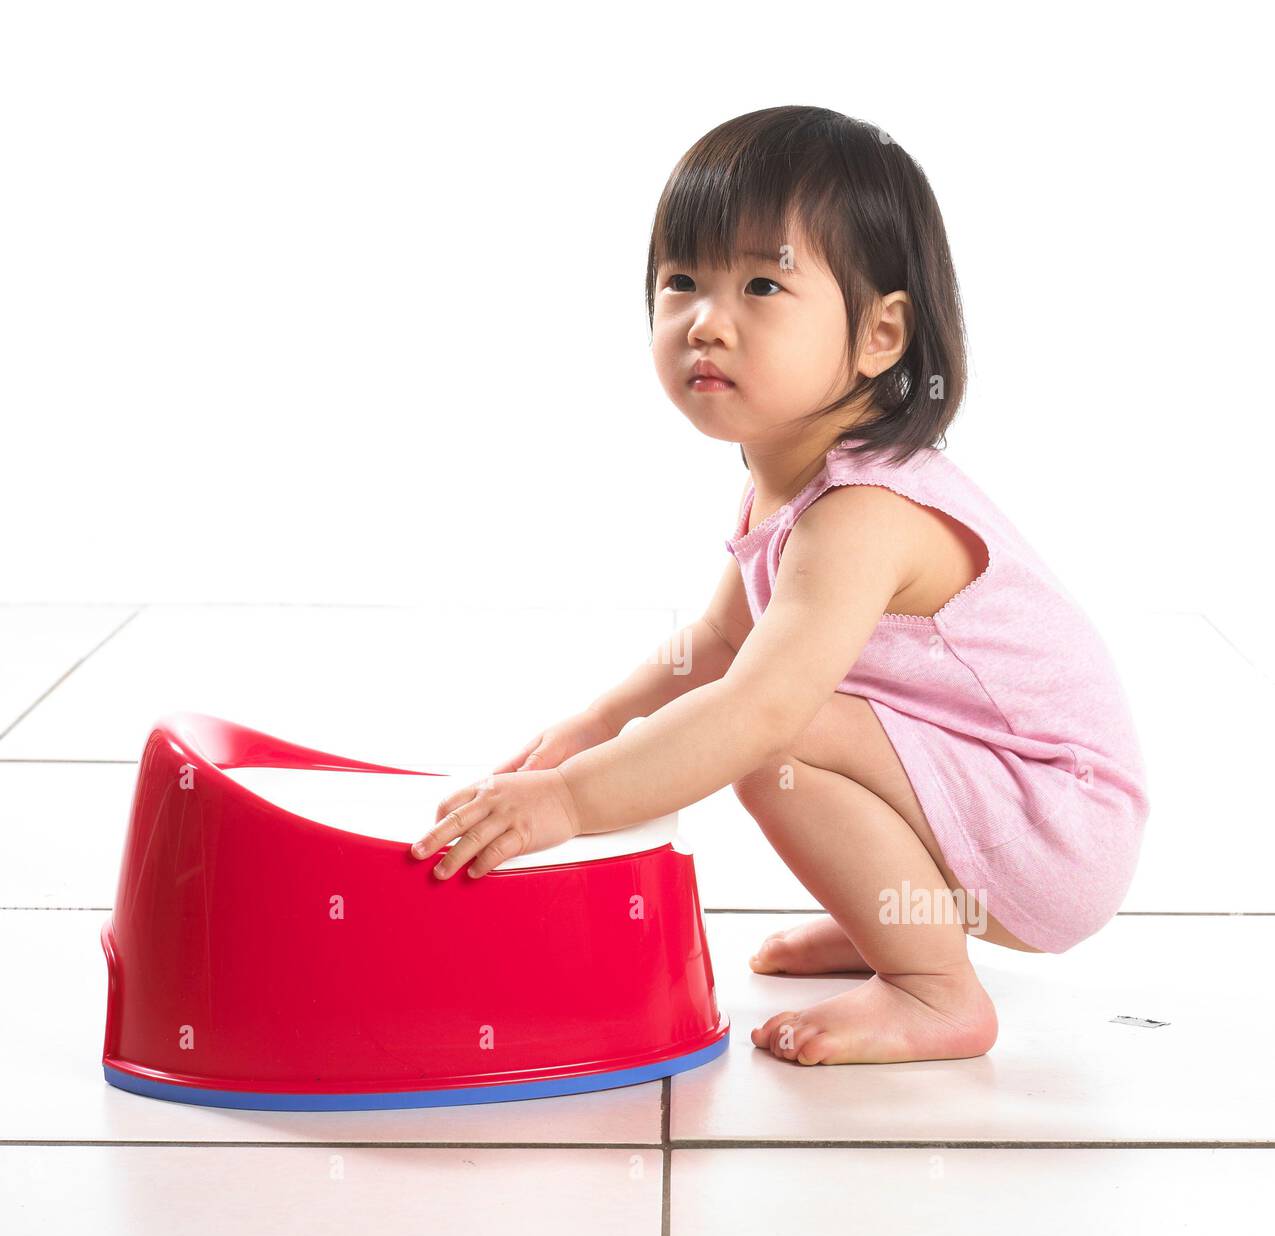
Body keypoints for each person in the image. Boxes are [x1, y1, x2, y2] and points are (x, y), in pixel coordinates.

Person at [411, 106, 1150, 1067]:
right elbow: (718, 641)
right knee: (770, 708)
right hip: (999, 806)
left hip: (1056, 830)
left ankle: (933, 990)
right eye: (681, 282)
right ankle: (897, 910)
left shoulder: (863, 513)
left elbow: (754, 704)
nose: (705, 322)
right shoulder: (786, 481)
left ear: (880, 334)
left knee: (778, 733)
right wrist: (596, 724)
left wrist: (570, 801)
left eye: (762, 284)